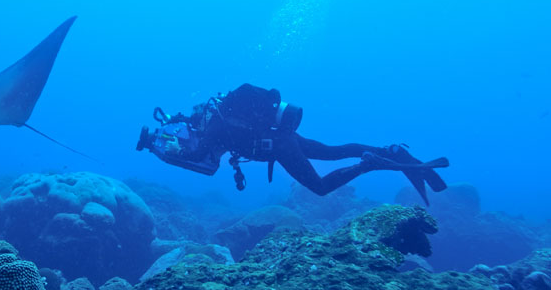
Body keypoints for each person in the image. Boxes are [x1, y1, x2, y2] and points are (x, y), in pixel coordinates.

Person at [136, 83, 448, 204]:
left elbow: (203, 161)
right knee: (332, 151)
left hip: (280, 148)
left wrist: (168, 150)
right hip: (284, 137)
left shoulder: (214, 125)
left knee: (321, 187)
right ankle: (390, 151)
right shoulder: (221, 115)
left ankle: (370, 164)